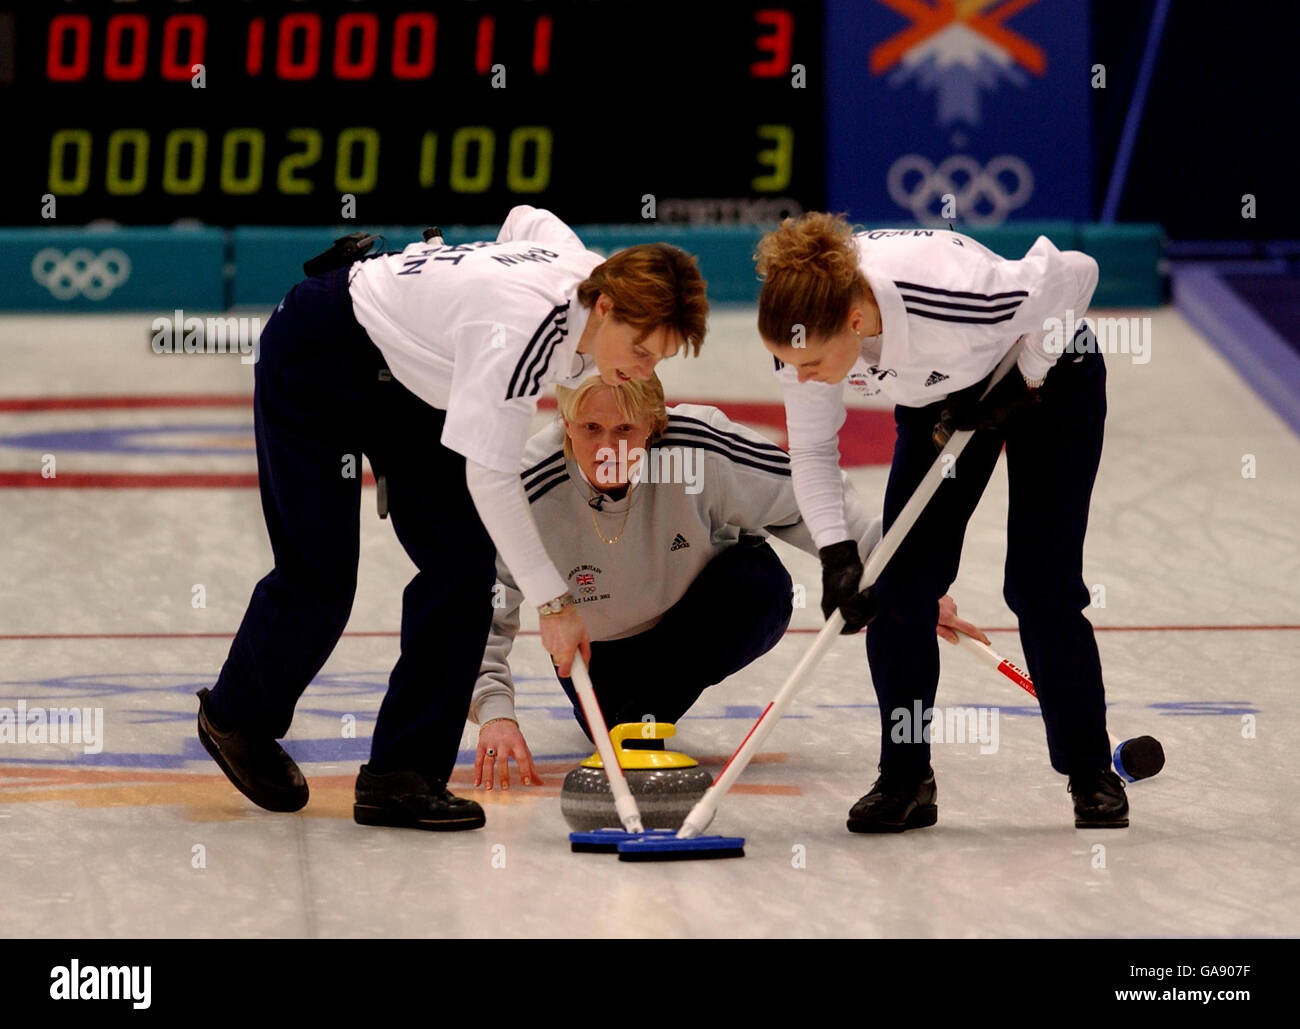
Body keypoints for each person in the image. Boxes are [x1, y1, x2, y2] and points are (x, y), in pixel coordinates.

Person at [196, 206, 708, 831]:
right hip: (317, 351)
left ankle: (401, 775)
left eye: (659, 358)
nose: (644, 370)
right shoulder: (523, 327)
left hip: (409, 381)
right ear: (604, 309)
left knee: (466, 568)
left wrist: (456, 287)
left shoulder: (588, 270)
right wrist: (553, 603)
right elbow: (489, 476)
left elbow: (527, 217)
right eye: (641, 350)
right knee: (320, 576)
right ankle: (236, 716)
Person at [756, 212, 1123, 831]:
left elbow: (1075, 273)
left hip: (1052, 377)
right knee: (899, 589)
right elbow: (813, 451)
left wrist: (1028, 375)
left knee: (1042, 586)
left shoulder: (953, 293)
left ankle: (1091, 772)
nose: (800, 377)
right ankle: (905, 779)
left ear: (853, 320)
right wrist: (837, 554)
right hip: (943, 398)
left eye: (811, 364)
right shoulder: (802, 336)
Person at [468, 372, 988, 789]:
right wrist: (495, 713)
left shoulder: (700, 447)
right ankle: (632, 716)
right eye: (589, 430)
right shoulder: (526, 490)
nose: (608, 449)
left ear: (653, 424)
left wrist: (899, 581)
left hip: (705, 610)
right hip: (600, 654)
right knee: (618, 727)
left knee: (758, 588)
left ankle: (641, 716)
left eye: (624, 430)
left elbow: (808, 498)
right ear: (564, 424)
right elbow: (484, 610)